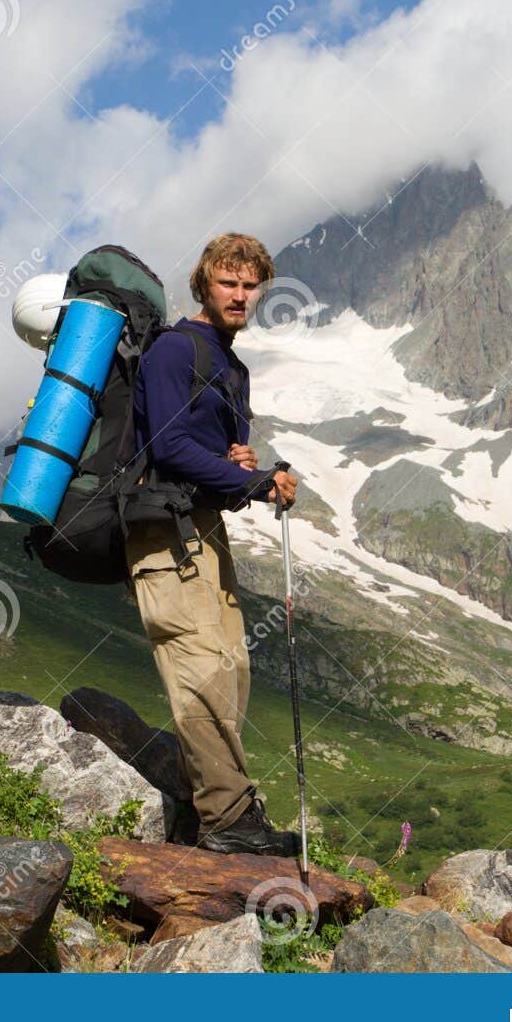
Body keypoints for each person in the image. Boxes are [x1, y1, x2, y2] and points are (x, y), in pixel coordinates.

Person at [125, 232, 301, 856]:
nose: (240, 295)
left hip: (203, 527)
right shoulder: (175, 350)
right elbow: (167, 446)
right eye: (228, 282)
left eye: (251, 285)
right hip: (164, 532)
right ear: (204, 285)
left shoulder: (232, 367)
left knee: (230, 668)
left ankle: (221, 808)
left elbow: (205, 461)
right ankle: (227, 821)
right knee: (200, 669)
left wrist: (238, 468)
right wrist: (254, 480)